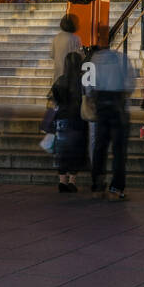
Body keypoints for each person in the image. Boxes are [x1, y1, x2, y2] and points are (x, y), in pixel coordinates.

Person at [84, 24, 135, 200]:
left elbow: (87, 87)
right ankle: (117, 188)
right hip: (118, 106)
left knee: (100, 147)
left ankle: (97, 186)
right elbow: (130, 85)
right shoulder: (122, 59)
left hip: (101, 106)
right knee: (119, 150)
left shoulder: (92, 61)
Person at [50, 51, 87, 193]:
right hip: (78, 118)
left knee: (62, 150)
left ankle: (62, 180)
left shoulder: (60, 80)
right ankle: (72, 180)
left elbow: (54, 99)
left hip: (61, 119)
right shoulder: (82, 80)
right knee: (76, 149)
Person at [50, 13, 83, 82]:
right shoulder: (76, 39)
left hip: (58, 75)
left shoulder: (56, 38)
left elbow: (52, 55)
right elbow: (80, 56)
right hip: (71, 76)